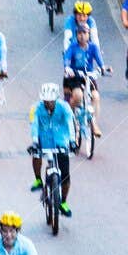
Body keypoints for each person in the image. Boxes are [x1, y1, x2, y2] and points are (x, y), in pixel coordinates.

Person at [29, 83, 76, 216]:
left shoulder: (65, 107)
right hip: (43, 139)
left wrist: (72, 141)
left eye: (51, 101)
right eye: (45, 101)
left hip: (61, 140)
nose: (48, 103)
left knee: (65, 175)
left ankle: (63, 202)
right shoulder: (35, 108)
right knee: (36, 154)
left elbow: (70, 123)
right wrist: (35, 141)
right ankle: (38, 179)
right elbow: (34, 125)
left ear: (56, 99)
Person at [62, 22, 105, 138]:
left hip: (88, 77)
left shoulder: (93, 47)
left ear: (88, 34)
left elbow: (99, 60)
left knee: (95, 96)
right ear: (76, 35)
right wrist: (67, 68)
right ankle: (69, 116)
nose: (82, 36)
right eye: (79, 33)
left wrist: (103, 68)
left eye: (85, 33)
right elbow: (67, 58)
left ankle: (94, 124)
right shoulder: (73, 47)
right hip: (74, 77)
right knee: (78, 95)